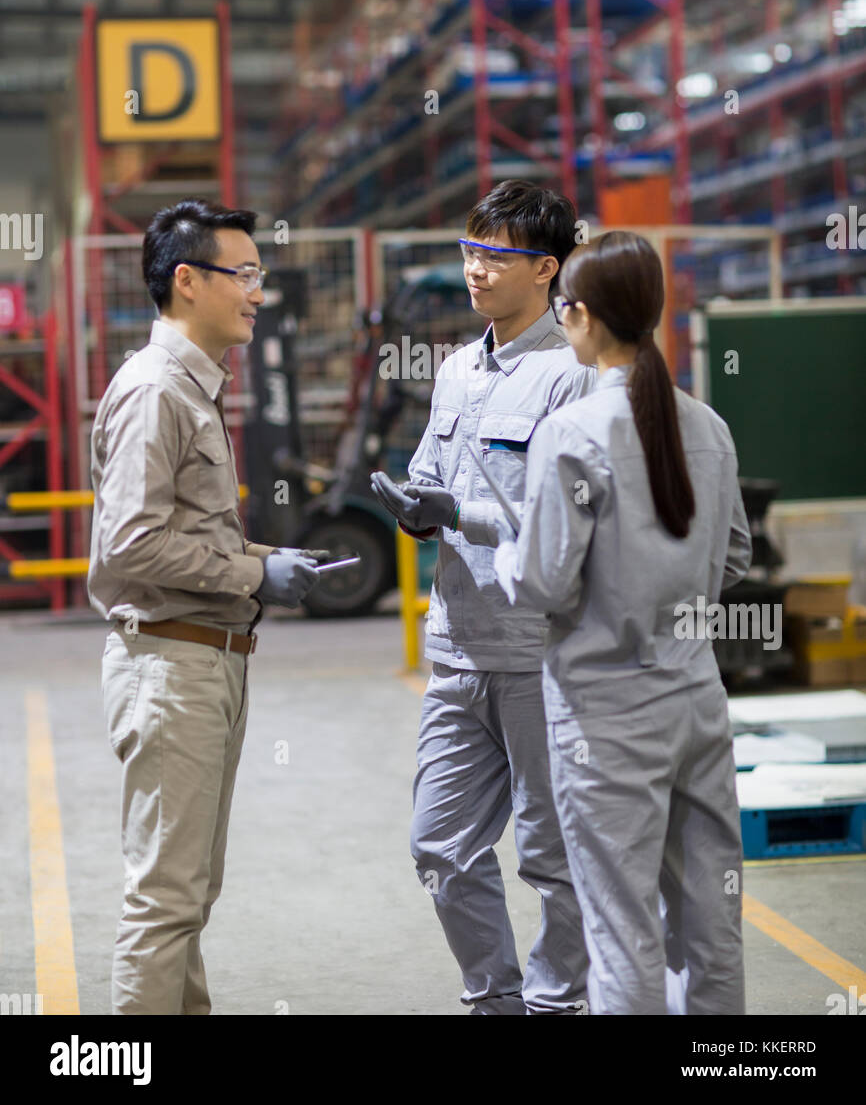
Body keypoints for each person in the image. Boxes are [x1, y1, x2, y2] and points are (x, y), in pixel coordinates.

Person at [492, 230, 752, 1015]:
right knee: (711, 922)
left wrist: (500, 546)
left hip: (606, 719)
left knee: (621, 929)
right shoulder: (706, 427)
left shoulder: (573, 434)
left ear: (580, 316)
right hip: (697, 704)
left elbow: (540, 582)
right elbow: (733, 556)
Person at [89, 199, 325, 1015]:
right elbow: (128, 547)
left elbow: (182, 533)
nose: (259, 292)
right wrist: (255, 579)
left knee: (188, 894)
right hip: (170, 663)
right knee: (164, 900)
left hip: (207, 659)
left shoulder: (194, 386)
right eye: (246, 275)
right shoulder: (158, 392)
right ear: (187, 282)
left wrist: (265, 560)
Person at [371, 179, 597, 1015]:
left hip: (539, 653)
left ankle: (556, 1002)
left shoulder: (574, 376)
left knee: (552, 853)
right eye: (468, 251)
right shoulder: (460, 369)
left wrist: (458, 510)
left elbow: (571, 517)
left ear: (546, 270)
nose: (474, 269)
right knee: (439, 844)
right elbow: (433, 471)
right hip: (456, 648)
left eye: (493, 256)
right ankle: (494, 998)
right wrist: (413, 502)